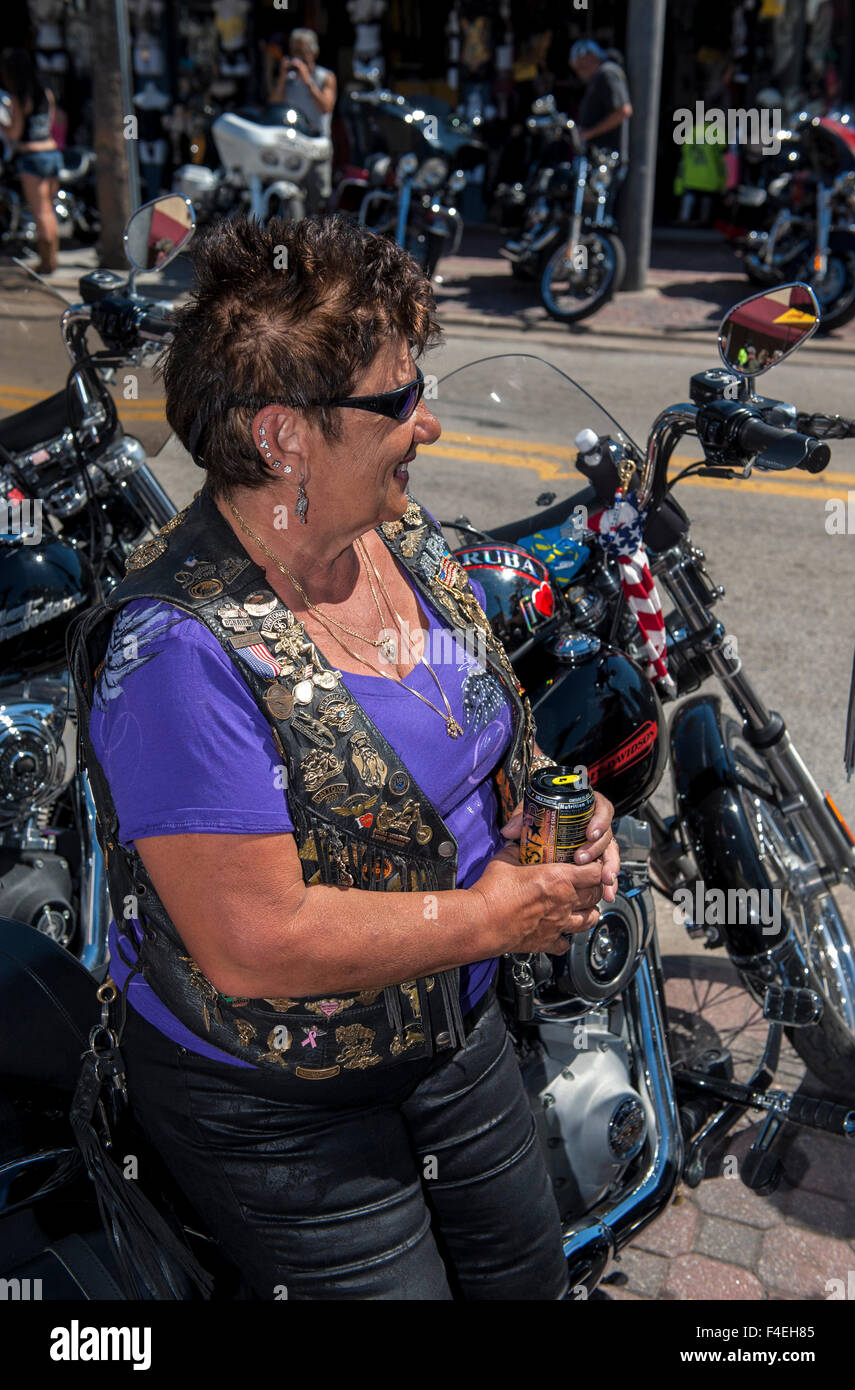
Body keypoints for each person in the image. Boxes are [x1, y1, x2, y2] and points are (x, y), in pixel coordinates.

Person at [69, 215, 620, 1301]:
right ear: (282, 436)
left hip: (454, 1033)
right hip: (283, 1101)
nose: (431, 426)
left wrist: (543, 813)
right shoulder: (179, 649)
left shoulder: (394, 538)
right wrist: (496, 917)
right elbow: (256, 943)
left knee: (526, 1282)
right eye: (398, 399)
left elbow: (477, 730)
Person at [0, 48, 62, 274]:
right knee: (49, 210)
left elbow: (15, 133)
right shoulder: (46, 94)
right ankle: (52, 258)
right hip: (52, 152)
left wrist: (3, 126)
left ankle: (47, 262)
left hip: (32, 155)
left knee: (41, 212)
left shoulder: (19, 98)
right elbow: (50, 123)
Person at [268, 27, 336, 214]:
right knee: (291, 197)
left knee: (318, 199)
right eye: (294, 52)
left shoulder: (325, 77)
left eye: (302, 52)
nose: (297, 57)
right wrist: (282, 76)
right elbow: (274, 103)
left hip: (317, 145)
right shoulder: (289, 79)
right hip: (292, 145)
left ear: (314, 52)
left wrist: (307, 80)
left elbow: (326, 106)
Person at [570, 38, 632, 211]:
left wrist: (589, 133)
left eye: (580, 66)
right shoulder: (599, 77)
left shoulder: (607, 73)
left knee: (600, 212)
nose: (579, 72)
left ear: (589, 57)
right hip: (598, 158)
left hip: (607, 160)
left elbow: (623, 111)